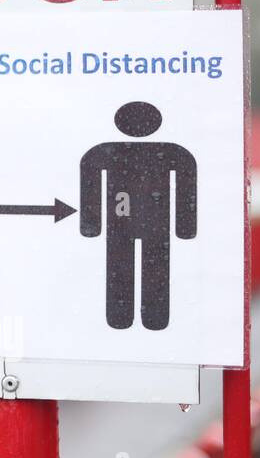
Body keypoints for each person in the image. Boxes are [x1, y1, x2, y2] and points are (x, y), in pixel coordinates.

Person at [79, 101, 197, 331]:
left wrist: (91, 224)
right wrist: (184, 227)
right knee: (153, 271)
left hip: (120, 225)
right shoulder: (173, 152)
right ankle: (153, 318)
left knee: (123, 269)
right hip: (155, 223)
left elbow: (89, 177)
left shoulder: (104, 151)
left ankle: (121, 317)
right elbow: (187, 182)